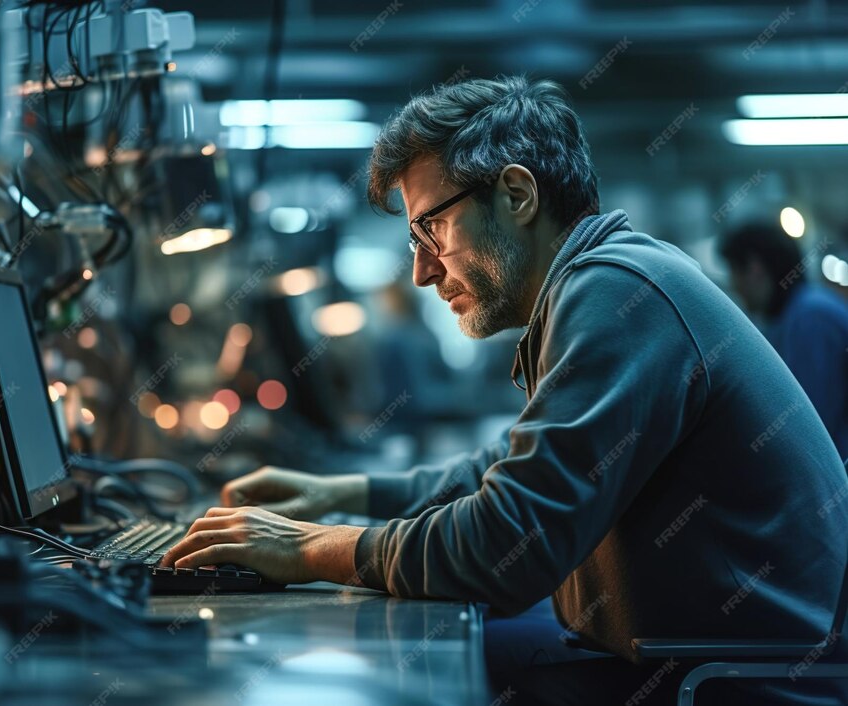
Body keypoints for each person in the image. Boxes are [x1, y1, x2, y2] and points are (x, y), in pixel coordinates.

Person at [161, 76, 848, 705]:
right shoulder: (607, 278)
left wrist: (311, 548)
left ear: (517, 195)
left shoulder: (615, 293)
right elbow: (506, 472)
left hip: (730, 681)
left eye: (431, 228)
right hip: (677, 656)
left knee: (382, 673)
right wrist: (346, 497)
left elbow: (505, 549)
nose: (423, 272)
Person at [719, 222, 848, 458]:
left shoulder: (811, 318)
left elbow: (813, 424)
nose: (735, 287)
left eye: (735, 273)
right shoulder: (795, 314)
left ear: (755, 269)